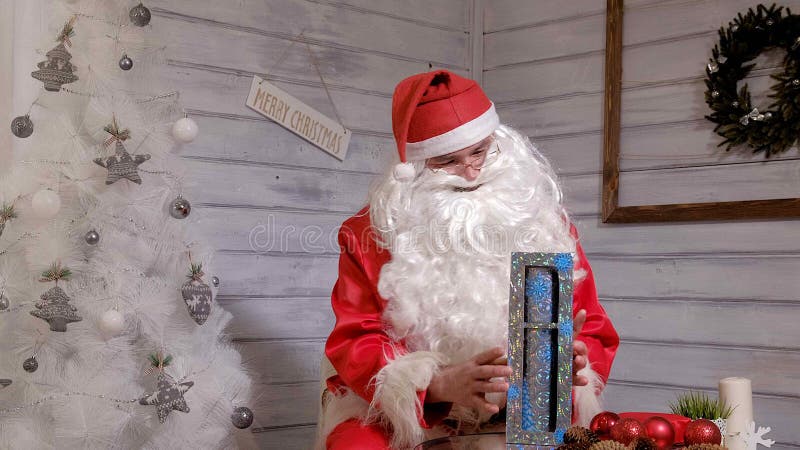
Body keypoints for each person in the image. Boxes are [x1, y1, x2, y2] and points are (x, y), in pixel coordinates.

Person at [316, 70, 619, 450]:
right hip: (414, 412)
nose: (473, 171)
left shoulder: (537, 219)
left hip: (527, 408)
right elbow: (355, 340)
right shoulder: (368, 233)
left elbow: (591, 326)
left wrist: (572, 363)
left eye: (479, 151)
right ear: (416, 167)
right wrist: (439, 384)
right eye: (449, 161)